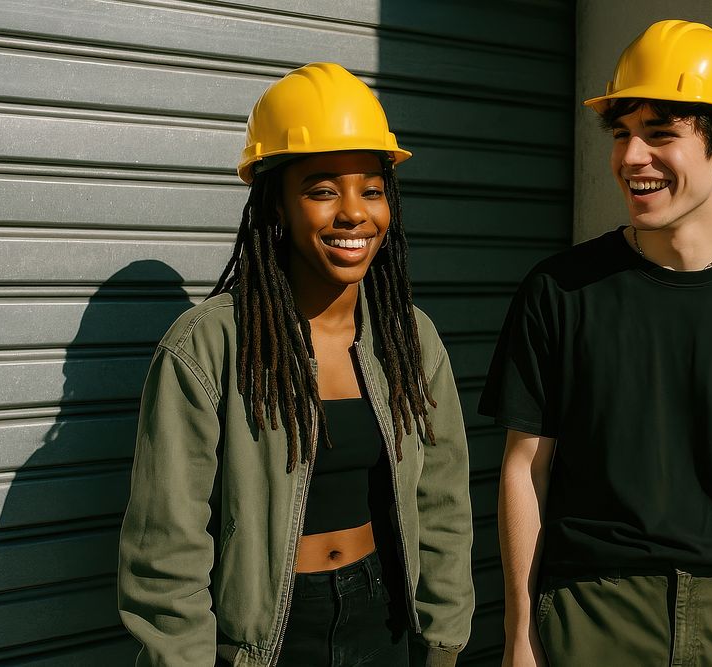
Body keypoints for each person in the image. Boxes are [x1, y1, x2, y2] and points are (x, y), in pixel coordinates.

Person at [479, 20, 712, 667]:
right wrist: (520, 633)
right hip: (592, 612)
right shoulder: (559, 291)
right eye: (623, 133)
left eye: (660, 134)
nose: (631, 158)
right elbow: (526, 468)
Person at [118, 62, 474, 667]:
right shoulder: (209, 347)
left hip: (384, 614)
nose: (355, 213)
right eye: (322, 189)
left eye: (372, 187)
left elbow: (441, 502)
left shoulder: (409, 337)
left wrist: (442, 639)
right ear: (277, 203)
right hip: (268, 642)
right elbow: (167, 550)